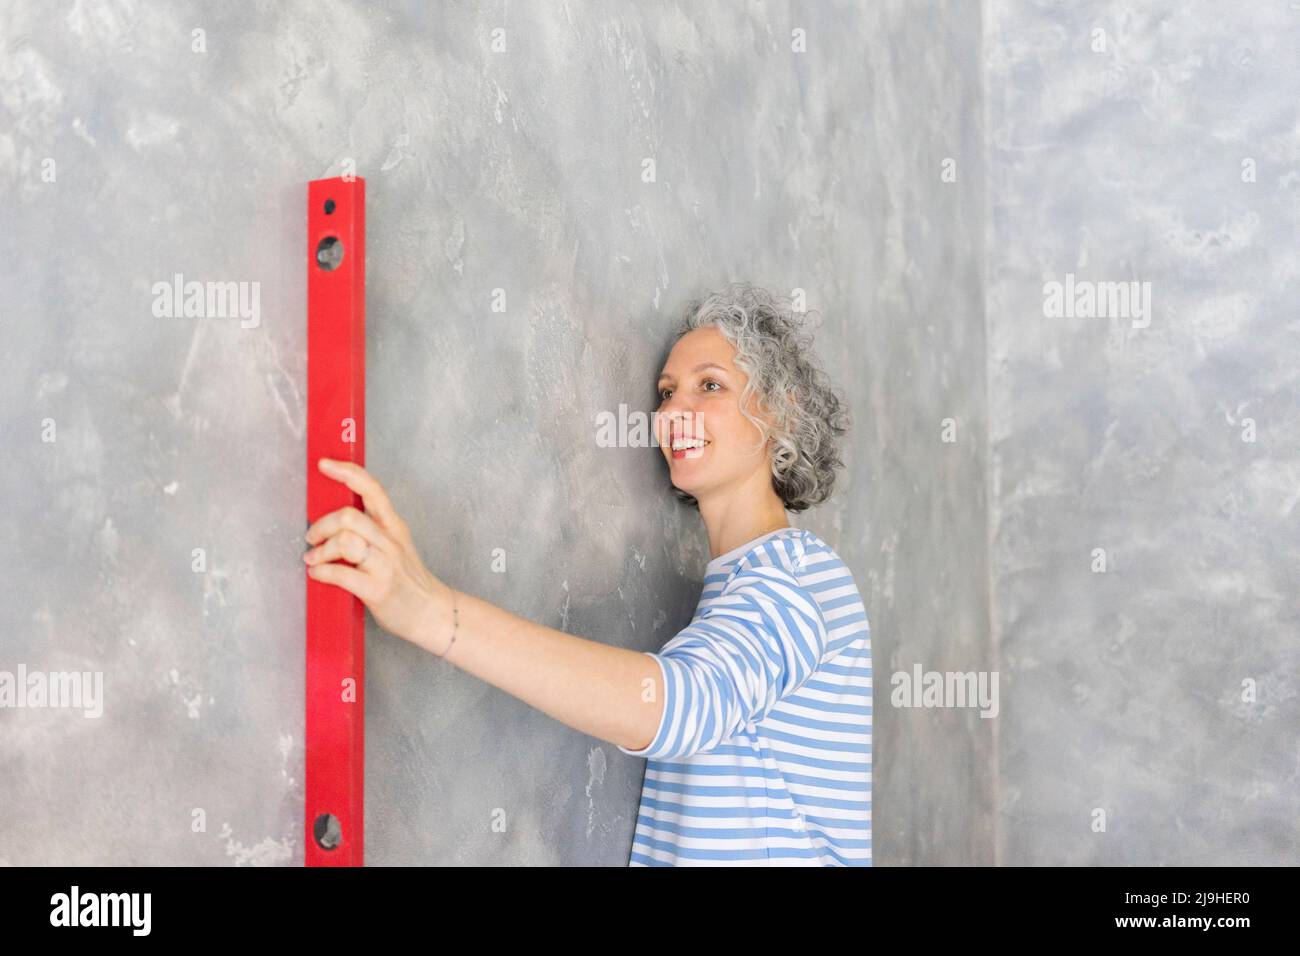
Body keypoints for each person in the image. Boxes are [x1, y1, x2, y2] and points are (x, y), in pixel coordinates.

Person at [303, 282, 872, 865]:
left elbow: (677, 705)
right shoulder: (739, 590)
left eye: (711, 385)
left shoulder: (797, 581)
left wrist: (433, 613)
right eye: (667, 392)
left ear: (782, 413)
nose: (674, 412)